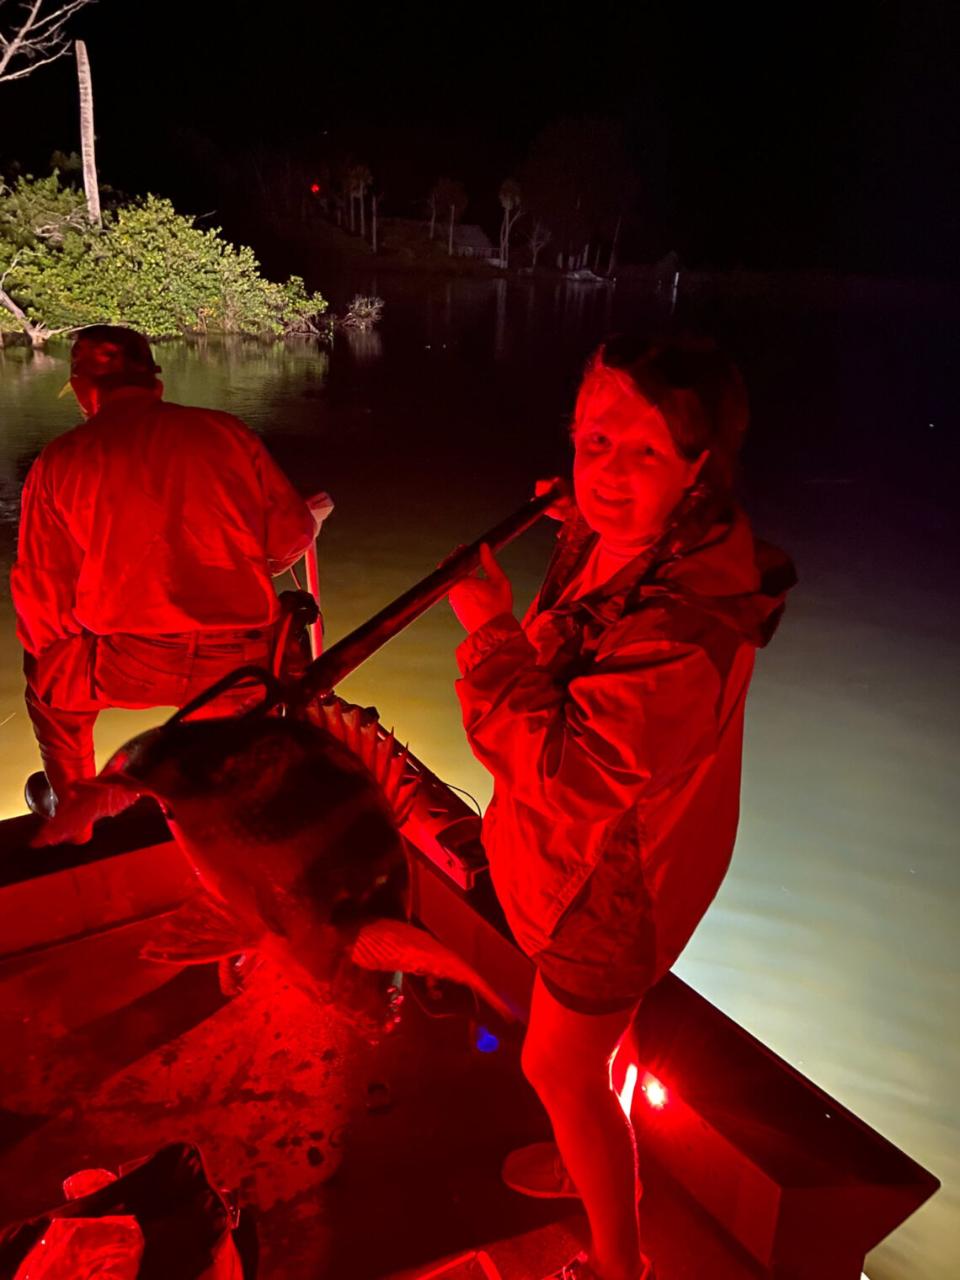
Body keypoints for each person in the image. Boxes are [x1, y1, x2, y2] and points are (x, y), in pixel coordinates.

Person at [448, 334, 795, 1280]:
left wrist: (489, 634)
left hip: (616, 882)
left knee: (556, 1070)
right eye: (595, 442)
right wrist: (575, 525)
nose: (609, 472)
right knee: (594, 1054)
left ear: (698, 466)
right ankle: (581, 1157)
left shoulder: (686, 622)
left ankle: (619, 1264)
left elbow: (563, 771)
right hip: (634, 852)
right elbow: (598, 598)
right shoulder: (641, 538)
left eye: (646, 451)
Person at [11, 325, 331, 838]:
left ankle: (76, 810)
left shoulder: (62, 459)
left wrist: (61, 661)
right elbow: (292, 536)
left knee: (48, 678)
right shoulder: (227, 433)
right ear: (153, 381)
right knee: (277, 662)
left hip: (130, 662)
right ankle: (250, 803)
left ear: (84, 388)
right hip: (241, 665)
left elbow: (40, 595)